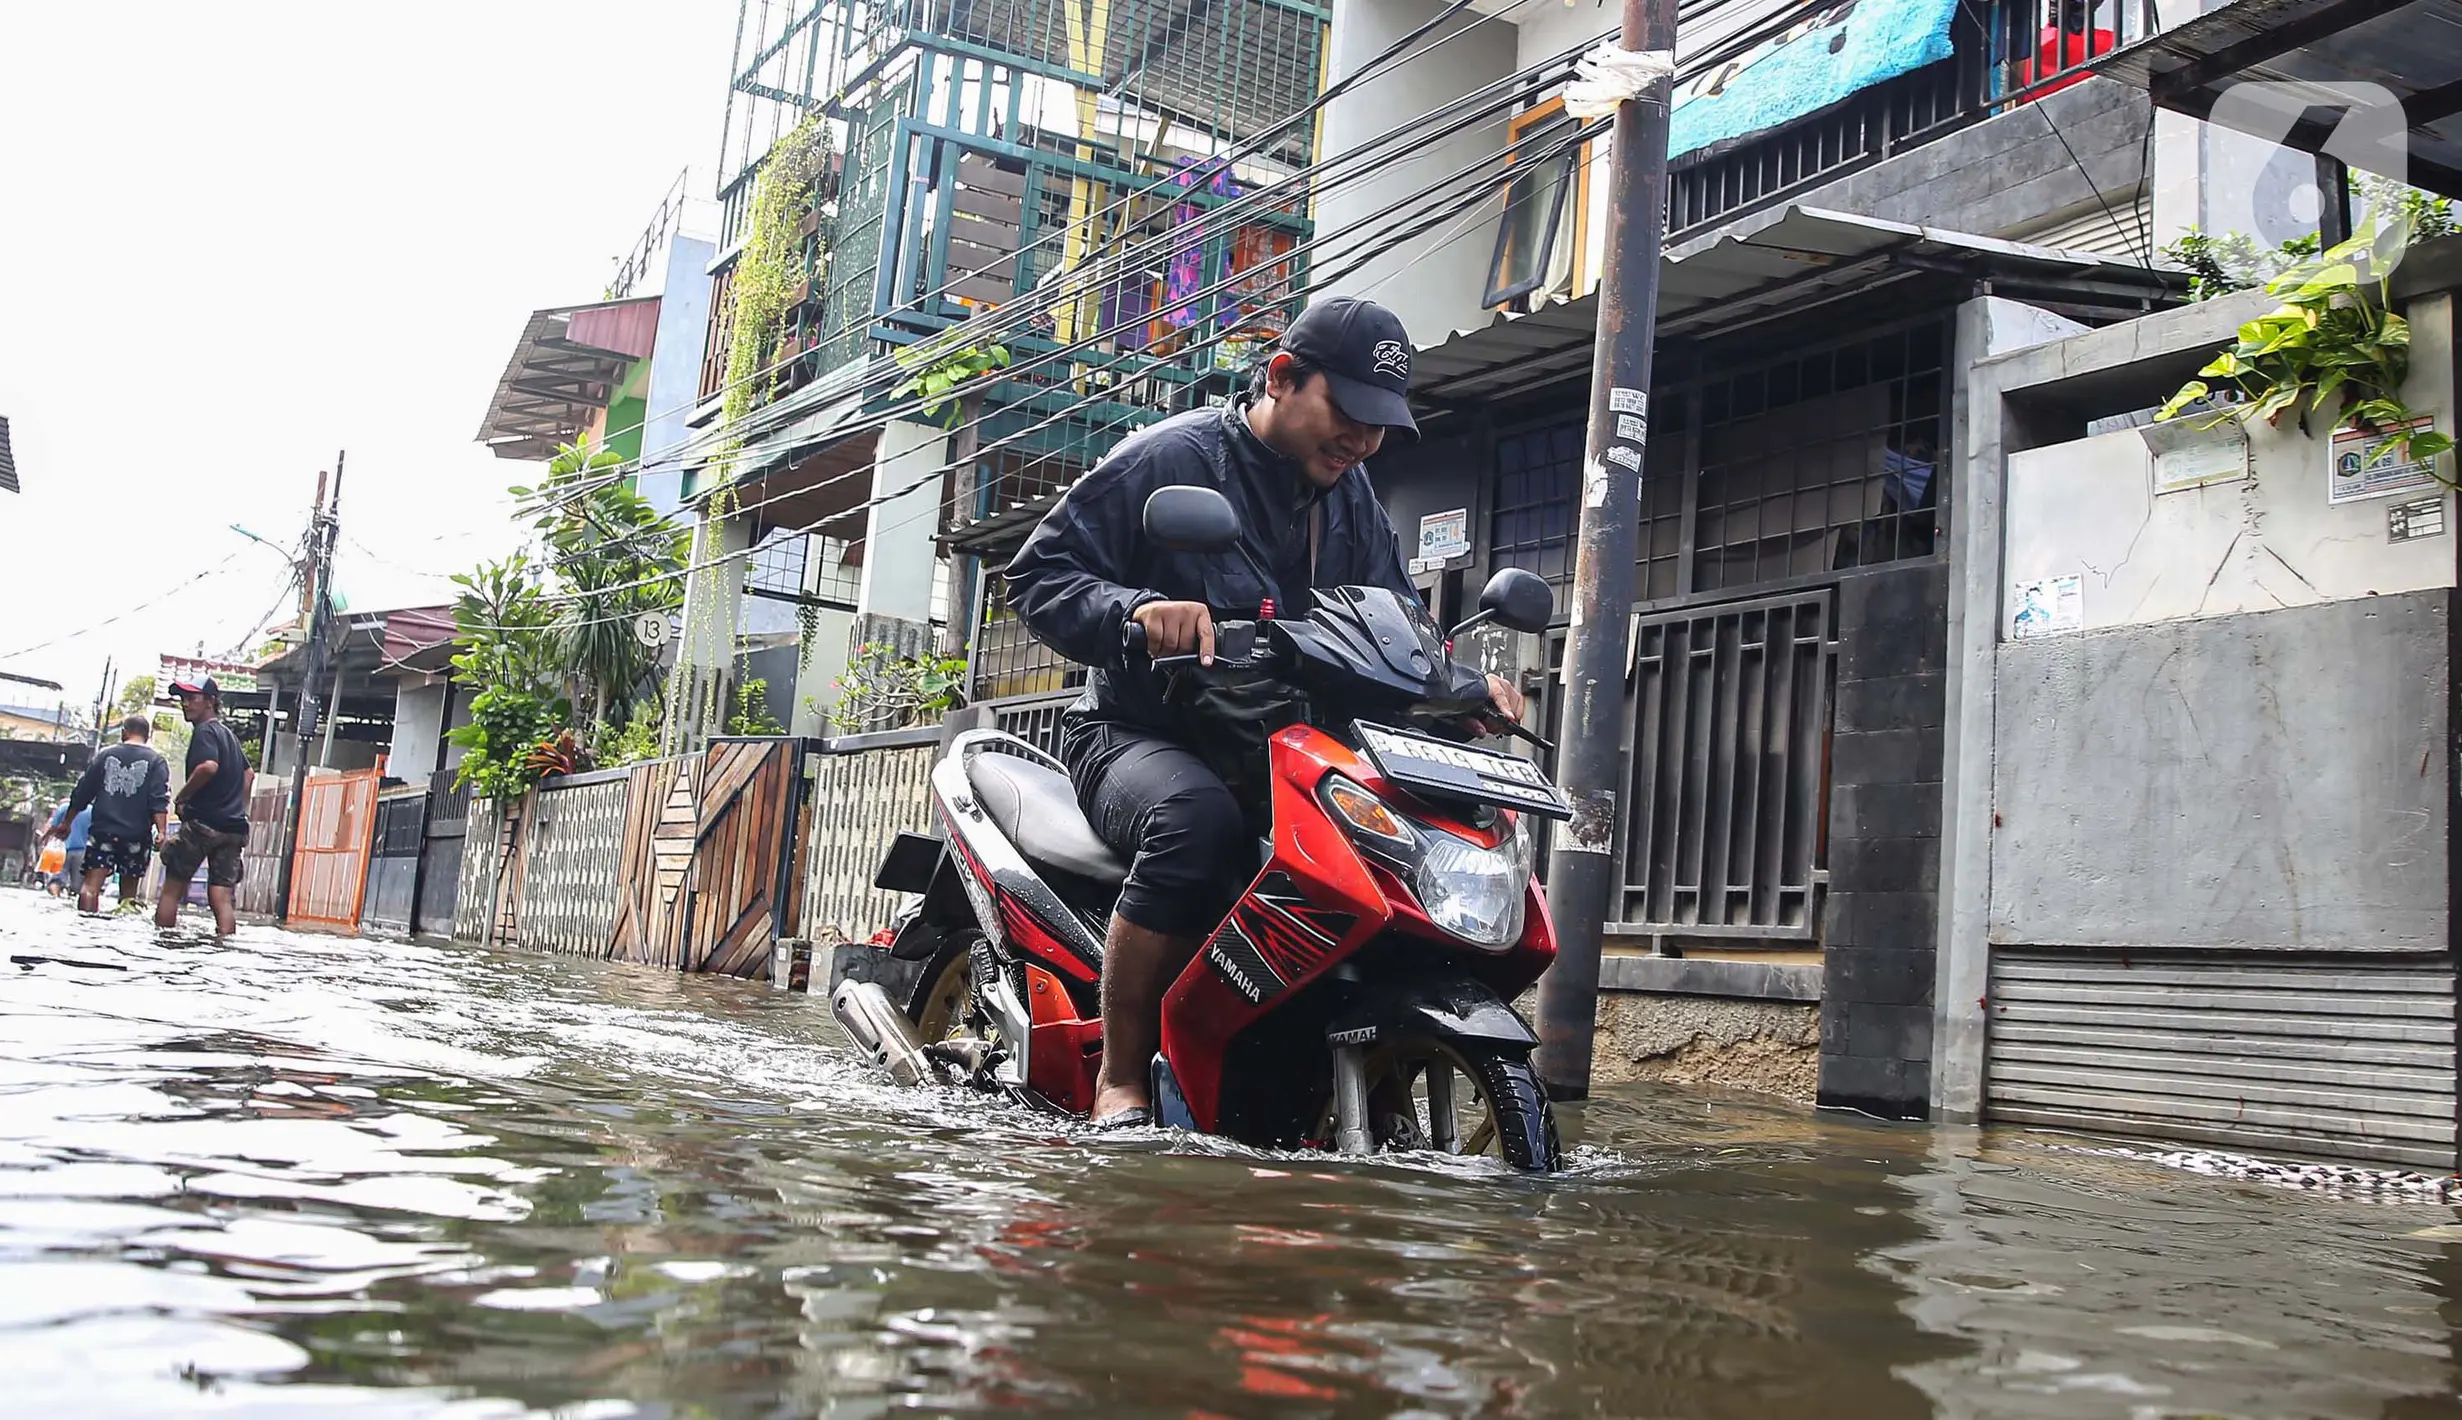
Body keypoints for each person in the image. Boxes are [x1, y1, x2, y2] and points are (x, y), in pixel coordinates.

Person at [1003, 296, 1526, 1127]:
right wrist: (1135, 613)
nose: (1362, 439)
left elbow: (1395, 627)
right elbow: (1037, 578)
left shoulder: (1353, 502)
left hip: (1282, 750)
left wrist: (1462, 691)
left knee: (1384, 852)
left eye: (1380, 424)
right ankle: (1125, 1077)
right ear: (1282, 378)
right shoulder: (1167, 459)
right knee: (1198, 822)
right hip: (1140, 736)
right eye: (1348, 412)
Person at [156, 677, 254, 935]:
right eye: (183, 699)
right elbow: (249, 776)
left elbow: (208, 767)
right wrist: (238, 809)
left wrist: (182, 797)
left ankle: (162, 943)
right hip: (233, 828)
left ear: (210, 701)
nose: (185, 704)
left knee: (172, 888)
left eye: (192, 698)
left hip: (203, 824)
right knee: (222, 897)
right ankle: (224, 944)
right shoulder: (228, 735)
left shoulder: (205, 732)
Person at [61, 714, 171, 913]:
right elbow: (159, 799)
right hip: (136, 836)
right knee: (128, 898)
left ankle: (86, 927)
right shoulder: (157, 761)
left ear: (123, 733)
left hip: (103, 831)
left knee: (90, 887)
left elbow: (82, 792)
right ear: (147, 736)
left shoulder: (104, 755)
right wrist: (162, 831)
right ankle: (123, 934)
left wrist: (66, 822)